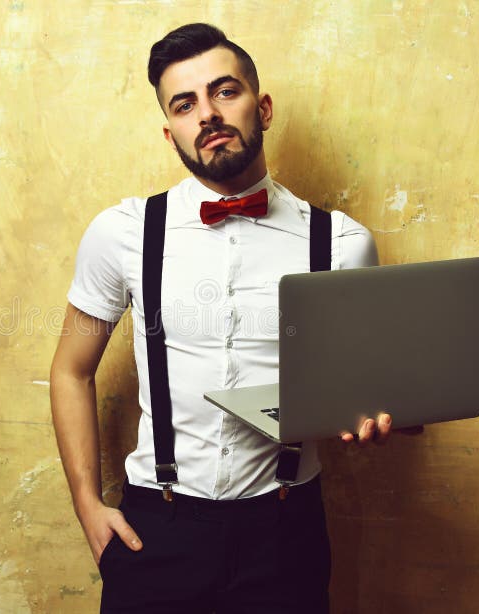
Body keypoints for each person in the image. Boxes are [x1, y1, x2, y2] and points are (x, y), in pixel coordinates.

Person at [50, 23, 417, 613]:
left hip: (286, 534)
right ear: (170, 133)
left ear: (262, 107)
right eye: (185, 103)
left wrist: (375, 419)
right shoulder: (121, 234)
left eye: (225, 91)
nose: (208, 115)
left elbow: (373, 393)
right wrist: (88, 508)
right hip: (158, 531)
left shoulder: (343, 244)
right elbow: (71, 371)